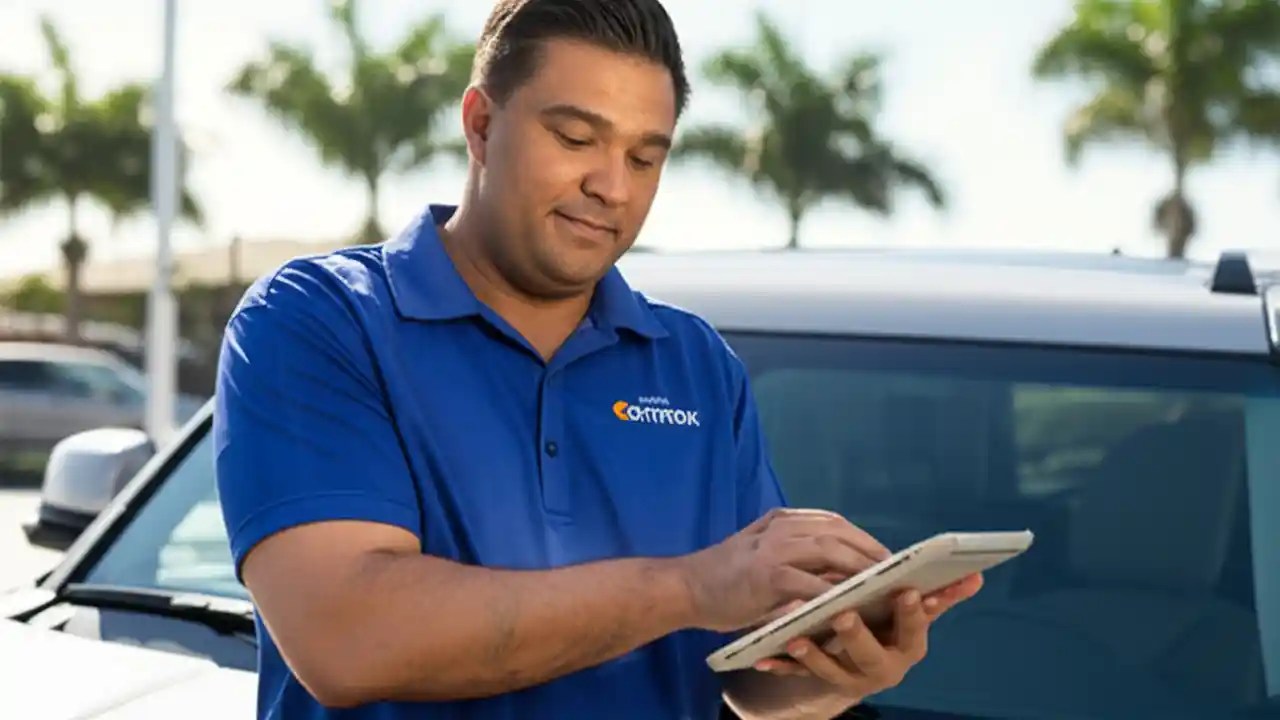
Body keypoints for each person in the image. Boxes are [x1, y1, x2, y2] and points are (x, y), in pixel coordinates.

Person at [213, 0, 983, 718]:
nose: (611, 187)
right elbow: (348, 637)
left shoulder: (695, 366)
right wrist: (688, 585)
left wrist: (837, 669)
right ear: (480, 125)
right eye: (576, 139)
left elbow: (743, 676)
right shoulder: (320, 319)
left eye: (646, 157)